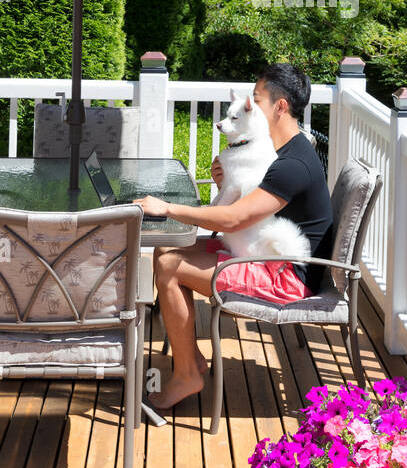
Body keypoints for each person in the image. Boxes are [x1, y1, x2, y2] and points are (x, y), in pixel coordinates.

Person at [134, 63, 333, 410]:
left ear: (280, 106)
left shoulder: (291, 164)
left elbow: (234, 218)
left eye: (257, 99)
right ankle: (190, 361)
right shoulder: (279, 150)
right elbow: (246, 210)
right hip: (266, 253)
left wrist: (166, 208)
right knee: (167, 248)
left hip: (285, 278)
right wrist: (227, 183)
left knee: (168, 263)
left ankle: (188, 375)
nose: (250, 106)